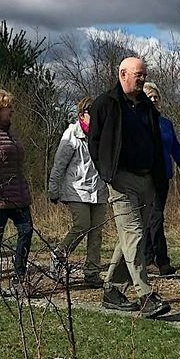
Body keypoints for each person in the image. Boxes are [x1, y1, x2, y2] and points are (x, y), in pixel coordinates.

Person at [87, 56, 171, 318]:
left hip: (147, 178)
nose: (142, 79)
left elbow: (157, 142)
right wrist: (106, 172)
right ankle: (145, 294)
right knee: (133, 233)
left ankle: (112, 290)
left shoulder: (147, 106)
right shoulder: (105, 104)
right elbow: (94, 141)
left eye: (144, 74)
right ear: (123, 74)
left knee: (133, 236)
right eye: (138, 74)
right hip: (120, 179)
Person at [0, 90, 34, 292]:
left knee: (26, 231)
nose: (11, 110)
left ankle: (20, 275)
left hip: (18, 194)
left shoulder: (11, 133)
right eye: (7, 107)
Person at [48, 97, 106, 288]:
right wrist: (53, 189)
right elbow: (59, 164)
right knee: (82, 225)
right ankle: (58, 255)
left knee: (96, 232)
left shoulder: (102, 134)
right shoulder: (71, 134)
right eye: (92, 112)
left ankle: (92, 272)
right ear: (82, 114)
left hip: (98, 190)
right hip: (76, 189)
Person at [142, 81, 180, 276]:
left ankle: (157, 259)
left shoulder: (166, 124)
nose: (153, 99)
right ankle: (154, 259)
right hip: (145, 177)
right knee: (153, 218)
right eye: (149, 96)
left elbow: (176, 150)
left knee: (156, 218)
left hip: (163, 177)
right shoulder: (138, 123)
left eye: (156, 96)